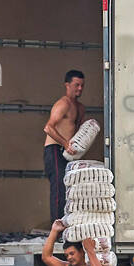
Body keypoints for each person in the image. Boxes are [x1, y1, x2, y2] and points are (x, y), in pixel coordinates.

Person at [43, 70, 86, 221]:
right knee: (59, 188)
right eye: (76, 85)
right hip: (55, 149)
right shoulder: (63, 104)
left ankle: (69, 227)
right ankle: (57, 229)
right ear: (67, 85)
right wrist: (65, 143)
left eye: (82, 85)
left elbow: (79, 133)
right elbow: (48, 128)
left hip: (70, 153)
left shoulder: (80, 108)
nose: (80, 88)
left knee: (71, 190)